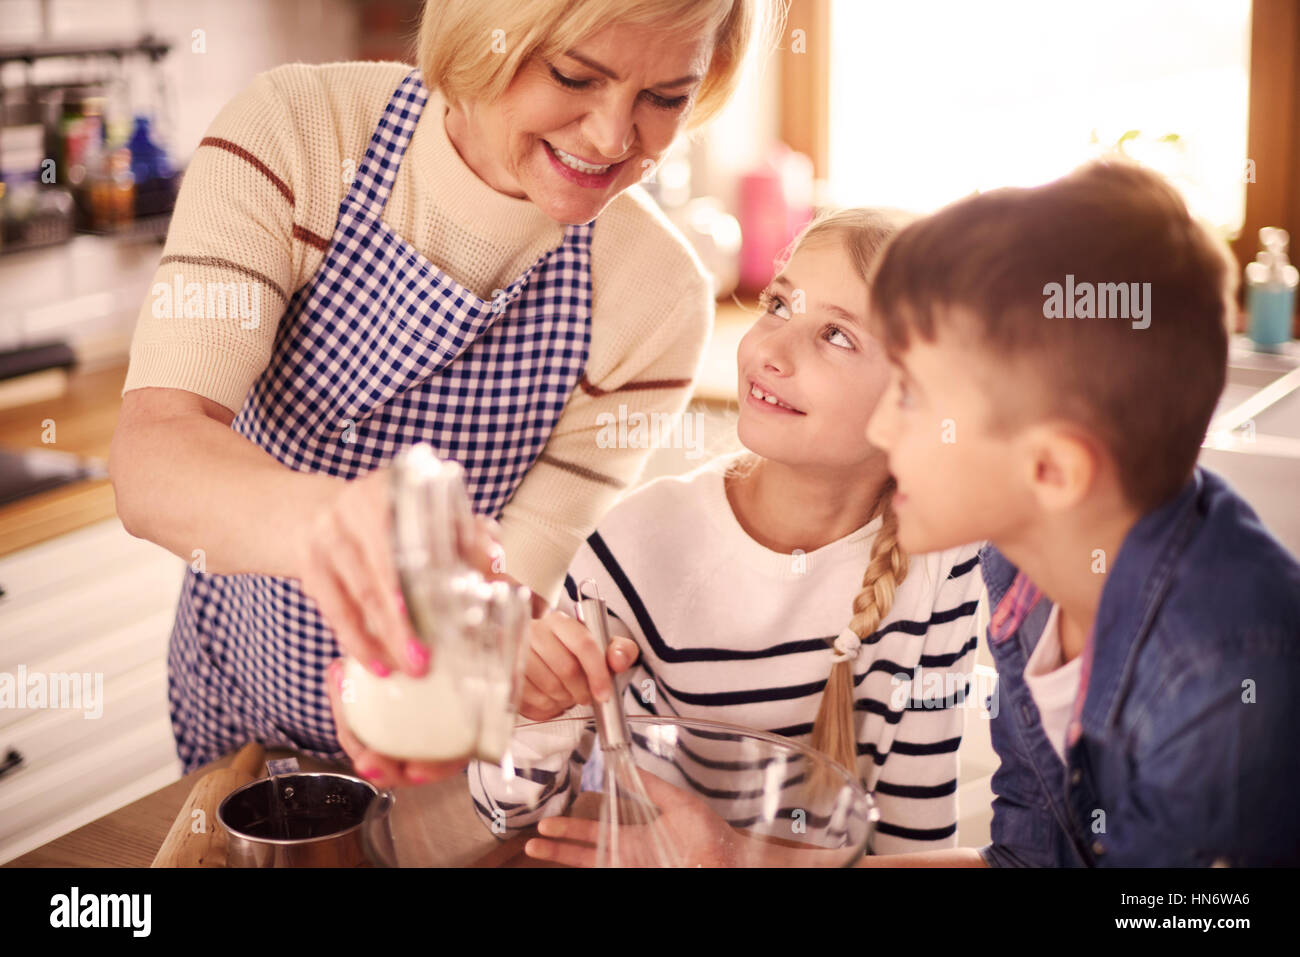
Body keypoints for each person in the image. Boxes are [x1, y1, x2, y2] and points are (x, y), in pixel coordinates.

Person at [109, 0, 782, 785]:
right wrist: (330, 527)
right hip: (237, 722)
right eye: (573, 75)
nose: (610, 137)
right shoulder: (297, 133)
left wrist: (499, 662)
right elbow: (153, 453)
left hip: (437, 758)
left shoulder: (654, 295)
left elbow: (510, 588)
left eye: (665, 97)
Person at [469, 207, 986, 860]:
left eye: (837, 336)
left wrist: (739, 855)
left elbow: (913, 841)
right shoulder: (635, 544)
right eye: (779, 304)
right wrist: (534, 715)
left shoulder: (944, 562)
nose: (769, 349)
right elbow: (512, 819)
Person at [852, 159, 1300, 866]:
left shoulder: (1221, 680)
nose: (878, 428)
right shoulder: (1024, 573)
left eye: (908, 392)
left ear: (1053, 469)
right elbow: (1033, 858)